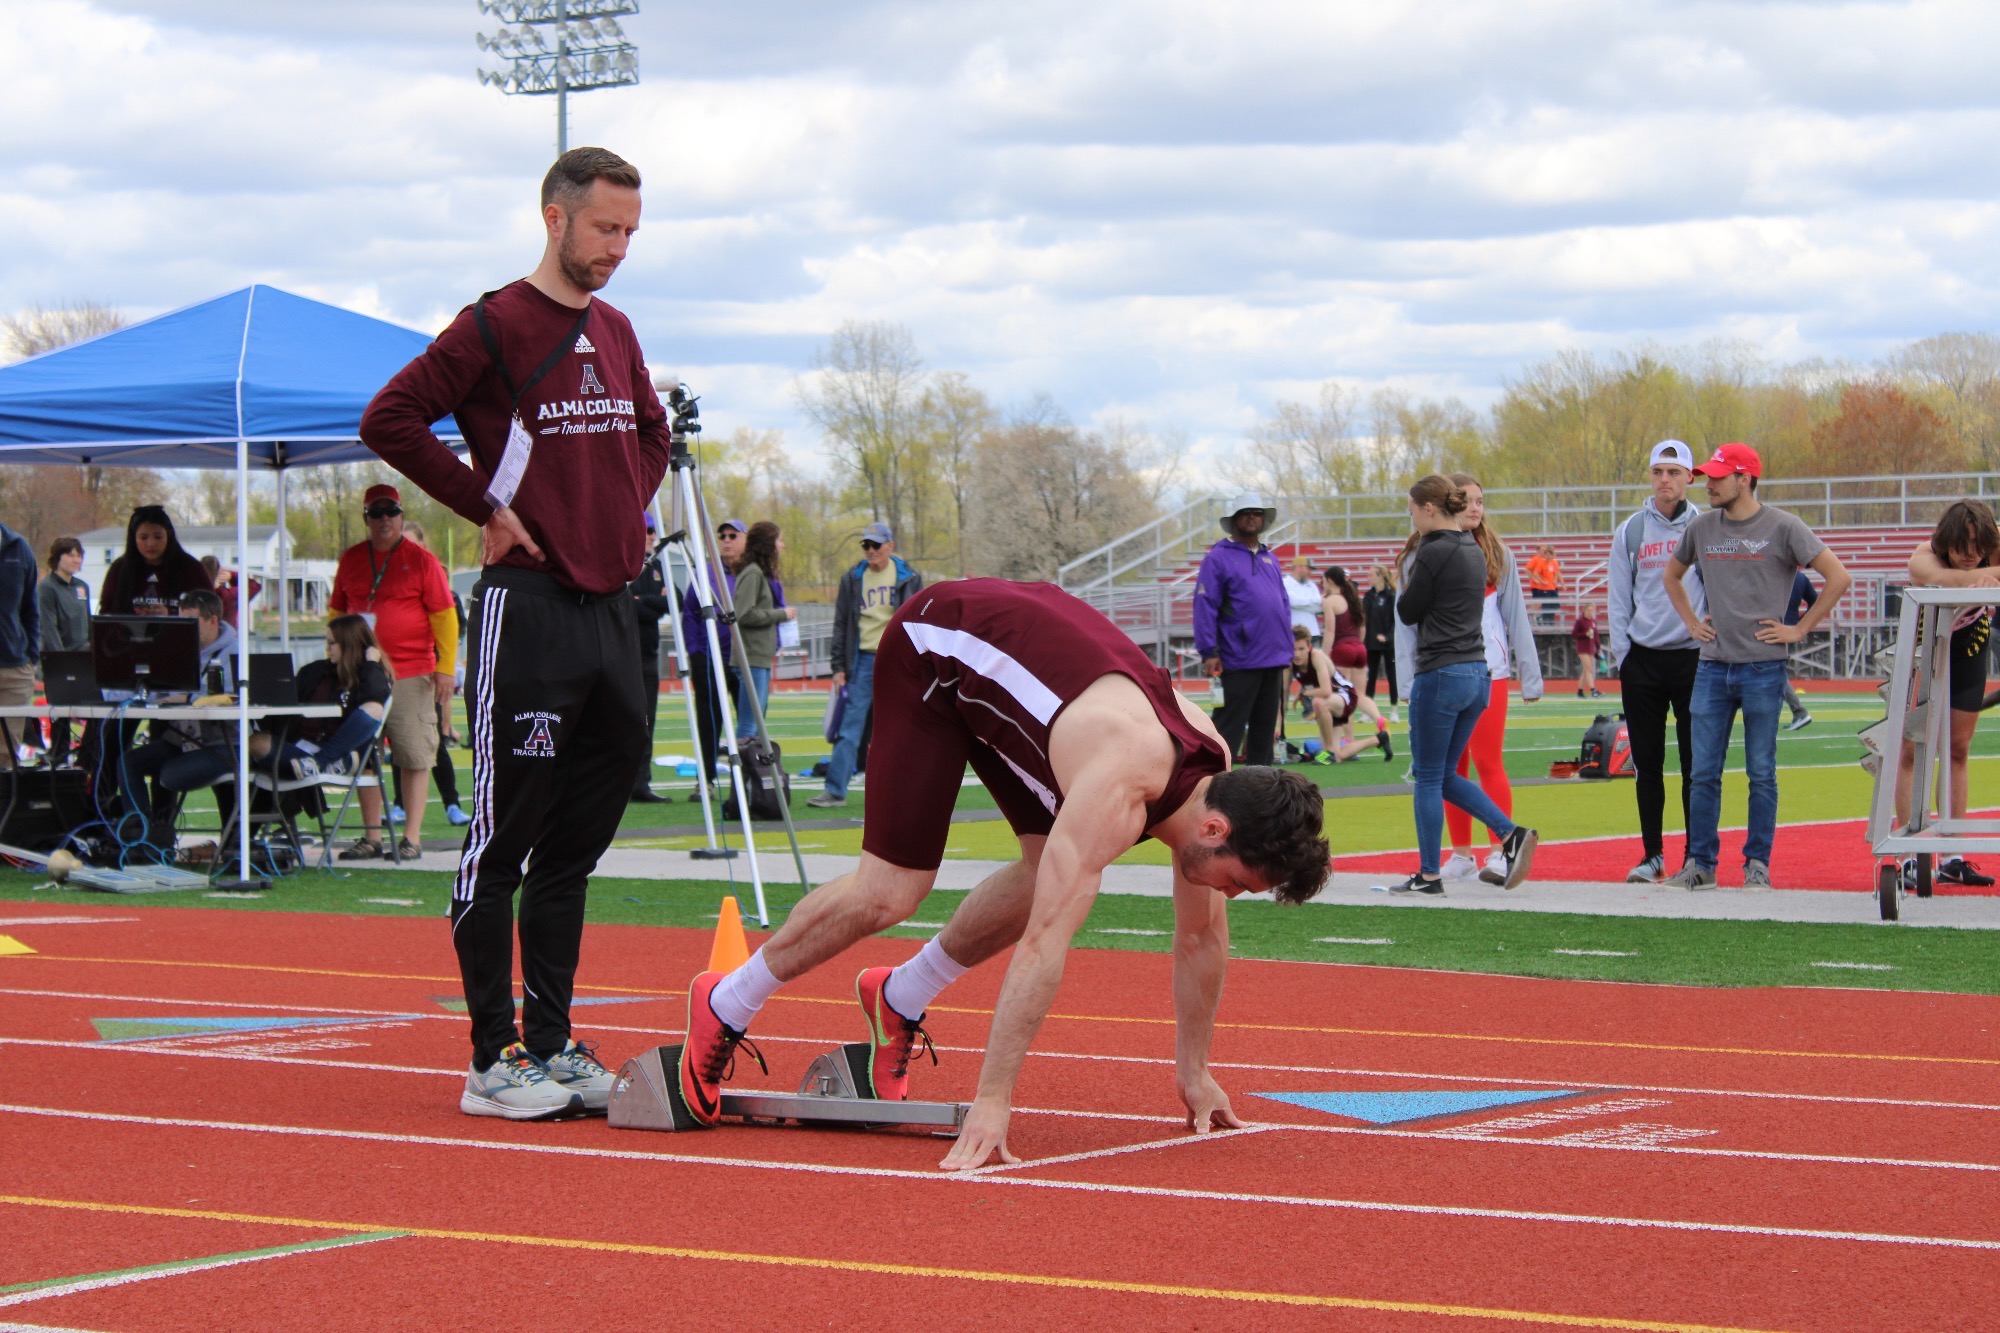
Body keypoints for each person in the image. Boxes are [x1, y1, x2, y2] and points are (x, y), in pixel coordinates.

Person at [675, 578, 1331, 1170]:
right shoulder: (1121, 788)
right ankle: (726, 1000)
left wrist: (1196, 1072)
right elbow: (1045, 943)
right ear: (1215, 830)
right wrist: (991, 1100)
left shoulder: (1212, 770)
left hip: (1023, 667)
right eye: (1239, 882)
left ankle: (899, 996)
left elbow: (1201, 939)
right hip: (938, 649)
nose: (1229, 895)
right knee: (894, 888)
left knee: (1044, 869)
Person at [360, 146, 671, 1122]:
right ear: (554, 217)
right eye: (603, 228)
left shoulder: (616, 331)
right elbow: (393, 416)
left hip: (615, 614)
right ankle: (490, 1056)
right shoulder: (494, 323)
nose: (617, 248)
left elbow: (653, 433)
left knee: (575, 849)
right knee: (500, 840)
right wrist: (483, 503)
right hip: (526, 612)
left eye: (629, 231)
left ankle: (550, 1038)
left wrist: (617, 515)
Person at [1662, 442, 1851, 891]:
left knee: (1760, 773)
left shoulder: (1784, 526)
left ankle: (1757, 866)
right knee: (1702, 771)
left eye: (1718, 477)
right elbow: (1670, 575)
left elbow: (1839, 576)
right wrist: (1692, 622)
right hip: (1711, 667)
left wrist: (1799, 629)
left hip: (1764, 668)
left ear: (1745, 478)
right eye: (1707, 476)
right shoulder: (1702, 528)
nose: (1707, 484)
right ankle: (1700, 865)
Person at [1388, 475, 1538, 897]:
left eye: (1414, 509)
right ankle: (1509, 835)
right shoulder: (1478, 550)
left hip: (1441, 669)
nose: (1413, 517)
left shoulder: (1431, 551)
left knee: (1428, 776)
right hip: (1479, 671)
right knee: (1447, 774)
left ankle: (1429, 873)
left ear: (1430, 509)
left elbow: (1408, 608)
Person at [327, 484, 456, 861]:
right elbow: (337, 612)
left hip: (412, 671)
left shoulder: (422, 560)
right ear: (366, 518)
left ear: (401, 515)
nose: (384, 519)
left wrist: (446, 668)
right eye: (375, 513)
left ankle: (411, 838)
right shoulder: (351, 559)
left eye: (391, 511)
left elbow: (445, 617)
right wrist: (332, 653)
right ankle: (372, 836)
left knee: (414, 754)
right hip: (359, 672)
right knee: (363, 750)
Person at [1608, 440, 1706, 885]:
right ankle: (1652, 855)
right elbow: (1617, 597)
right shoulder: (1630, 530)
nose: (1664, 480)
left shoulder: (1707, 527)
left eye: (1673, 472)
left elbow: (1719, 589)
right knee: (1647, 765)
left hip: (1692, 659)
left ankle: (1694, 855)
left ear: (1689, 477)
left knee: (1694, 764)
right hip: (1643, 662)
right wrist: (1624, 657)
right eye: (1657, 472)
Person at [1894, 499, 2000, 887]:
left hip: (1970, 646)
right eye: (1962, 545)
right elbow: (1942, 579)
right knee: (1910, 750)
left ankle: (1954, 855)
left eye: (1979, 544)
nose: (1971, 554)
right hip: (1928, 646)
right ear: (1946, 542)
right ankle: (1907, 853)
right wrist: (1985, 577)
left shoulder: (1989, 549)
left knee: (1957, 749)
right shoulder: (1926, 554)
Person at [808, 522, 922, 808]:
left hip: (897, 662)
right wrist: (838, 667)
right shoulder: (852, 578)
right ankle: (835, 790)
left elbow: (920, 621)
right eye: (866, 546)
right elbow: (841, 623)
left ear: (890, 546)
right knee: (849, 728)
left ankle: (906, 790)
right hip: (862, 660)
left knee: (903, 728)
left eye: (876, 545)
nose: (870, 550)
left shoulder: (909, 577)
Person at [120, 590, 239, 850]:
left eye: (191, 622)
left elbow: (227, 696)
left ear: (213, 620)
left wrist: (186, 698)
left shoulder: (236, 651)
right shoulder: (175, 648)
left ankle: (228, 844)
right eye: (180, 621)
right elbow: (156, 688)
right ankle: (140, 839)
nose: (184, 629)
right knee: (128, 762)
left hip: (223, 743)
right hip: (183, 739)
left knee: (171, 774)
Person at [1193, 493, 1292, 767]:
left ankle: (1259, 796)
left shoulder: (1270, 558)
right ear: (1235, 519)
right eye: (1245, 512)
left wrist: (1288, 646)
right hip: (1238, 658)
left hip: (1273, 657)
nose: (1252, 516)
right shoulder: (1217, 558)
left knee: (1264, 734)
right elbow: (1205, 605)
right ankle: (1211, 787)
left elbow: (1282, 603)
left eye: (1257, 512)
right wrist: (1208, 650)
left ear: (1263, 519)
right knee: (1227, 731)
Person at [250, 614, 393, 787]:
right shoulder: (315, 671)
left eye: (332, 643)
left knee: (373, 708)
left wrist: (371, 663)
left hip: (341, 753)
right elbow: (286, 702)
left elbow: (376, 697)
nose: (328, 648)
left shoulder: (371, 675)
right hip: (301, 752)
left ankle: (321, 762)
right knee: (255, 743)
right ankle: (322, 763)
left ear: (350, 644)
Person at [678, 518, 744, 799]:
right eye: (722, 536)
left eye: (732, 535)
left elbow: (776, 608)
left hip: (744, 661)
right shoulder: (704, 573)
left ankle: (747, 780)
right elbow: (689, 611)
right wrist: (694, 651)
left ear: (745, 540)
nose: (726, 540)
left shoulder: (756, 573)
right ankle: (705, 780)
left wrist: (770, 647)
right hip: (709, 658)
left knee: (749, 722)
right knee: (709, 719)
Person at [730, 520, 797, 742]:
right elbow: (743, 614)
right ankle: (743, 777)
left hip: (759, 658)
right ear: (768, 544)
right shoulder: (753, 574)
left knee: (755, 726)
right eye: (779, 540)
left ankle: (752, 777)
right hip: (751, 658)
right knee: (749, 725)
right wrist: (781, 614)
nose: (783, 545)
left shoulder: (758, 573)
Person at [1290, 626, 1391, 764]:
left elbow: (1326, 691)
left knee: (1318, 702)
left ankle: (1328, 751)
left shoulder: (1317, 656)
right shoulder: (1290, 661)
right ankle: (1379, 739)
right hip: (1331, 703)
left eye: (1301, 649)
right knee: (1338, 757)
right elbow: (1284, 693)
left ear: (1309, 647)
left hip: (1345, 695)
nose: (1297, 654)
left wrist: (1304, 693)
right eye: (1293, 649)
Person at [100, 505, 212, 617]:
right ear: (133, 538)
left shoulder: (192, 569)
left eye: (158, 537)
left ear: (169, 535)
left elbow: (210, 610)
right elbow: (106, 614)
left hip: (177, 634)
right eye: (143, 538)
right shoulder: (119, 569)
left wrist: (172, 613)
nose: (151, 544)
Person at [37, 536, 88, 764]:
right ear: (57, 558)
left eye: (79, 555)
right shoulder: (47, 588)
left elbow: (87, 623)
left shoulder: (81, 587)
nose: (76, 559)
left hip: (84, 659)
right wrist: (61, 661)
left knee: (91, 712)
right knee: (61, 716)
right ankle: (58, 761)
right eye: (70, 555)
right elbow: (49, 628)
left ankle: (86, 758)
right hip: (59, 660)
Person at [629, 512, 669, 802]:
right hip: (624, 652)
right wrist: (651, 602)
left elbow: (671, 601)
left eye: (652, 531)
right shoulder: (625, 563)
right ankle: (620, 783)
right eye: (646, 530)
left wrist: (645, 601)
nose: (650, 536)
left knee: (647, 721)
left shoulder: (656, 566)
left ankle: (641, 782)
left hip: (648, 654)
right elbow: (624, 603)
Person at [0, 520, 37, 770]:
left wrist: (31, 659)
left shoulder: (18, 547)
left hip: (15, 671)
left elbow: (30, 610)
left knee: (5, 759)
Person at [1778, 570, 1817, 731]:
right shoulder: (1800, 577)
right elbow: (1815, 600)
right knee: (1775, 672)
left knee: (1774, 673)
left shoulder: (1773, 573)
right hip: (1791, 629)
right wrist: (1801, 624)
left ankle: (1799, 711)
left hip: (1773, 627)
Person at [1361, 563, 1398, 720]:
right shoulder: (1368, 597)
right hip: (1371, 643)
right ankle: (1368, 712)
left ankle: (1394, 710)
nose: (1368, 577)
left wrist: (1388, 637)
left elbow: (1395, 620)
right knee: (1372, 677)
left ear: (1380, 577)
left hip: (1389, 644)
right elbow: (1364, 620)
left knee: (1392, 676)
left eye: (1371, 575)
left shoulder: (1391, 596)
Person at [1320, 565, 1368, 673]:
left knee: (1342, 689)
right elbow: (1362, 628)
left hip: (1342, 648)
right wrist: (1357, 644)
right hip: (1360, 649)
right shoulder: (1353, 599)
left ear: (1330, 581)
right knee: (1360, 690)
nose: (1323, 586)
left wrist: (1325, 655)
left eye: (1323, 582)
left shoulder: (1330, 601)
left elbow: (1329, 631)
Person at [197, 554, 261, 630]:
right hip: (226, 638)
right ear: (219, 573)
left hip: (198, 639)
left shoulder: (192, 596)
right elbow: (255, 585)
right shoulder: (229, 595)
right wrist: (232, 576)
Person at [1281, 554, 1321, 640]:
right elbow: (1291, 601)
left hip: (1312, 632)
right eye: (1309, 569)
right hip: (1293, 632)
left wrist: (1299, 605)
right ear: (1300, 567)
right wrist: (1314, 601)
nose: (1310, 572)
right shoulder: (1285, 582)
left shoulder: (1312, 585)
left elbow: (1320, 607)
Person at [1525, 544, 1562, 626]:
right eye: (1542, 549)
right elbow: (1528, 569)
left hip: (1545, 586)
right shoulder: (1536, 559)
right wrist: (1534, 578)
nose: (1543, 551)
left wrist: (1557, 581)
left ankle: (1536, 616)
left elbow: (1556, 572)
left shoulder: (1548, 561)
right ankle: (1527, 616)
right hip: (1537, 586)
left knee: (1547, 604)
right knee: (1538, 603)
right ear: (1538, 551)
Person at [1572, 607, 1602, 697]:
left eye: (1592, 610)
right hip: (1582, 648)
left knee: (1586, 670)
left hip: (1590, 647)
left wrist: (1598, 647)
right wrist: (1585, 634)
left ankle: (1580, 691)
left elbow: (1596, 636)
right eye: (1588, 610)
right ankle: (1593, 690)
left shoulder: (1593, 621)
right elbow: (1574, 633)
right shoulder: (1580, 621)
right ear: (1584, 611)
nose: (1590, 612)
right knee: (1589, 669)